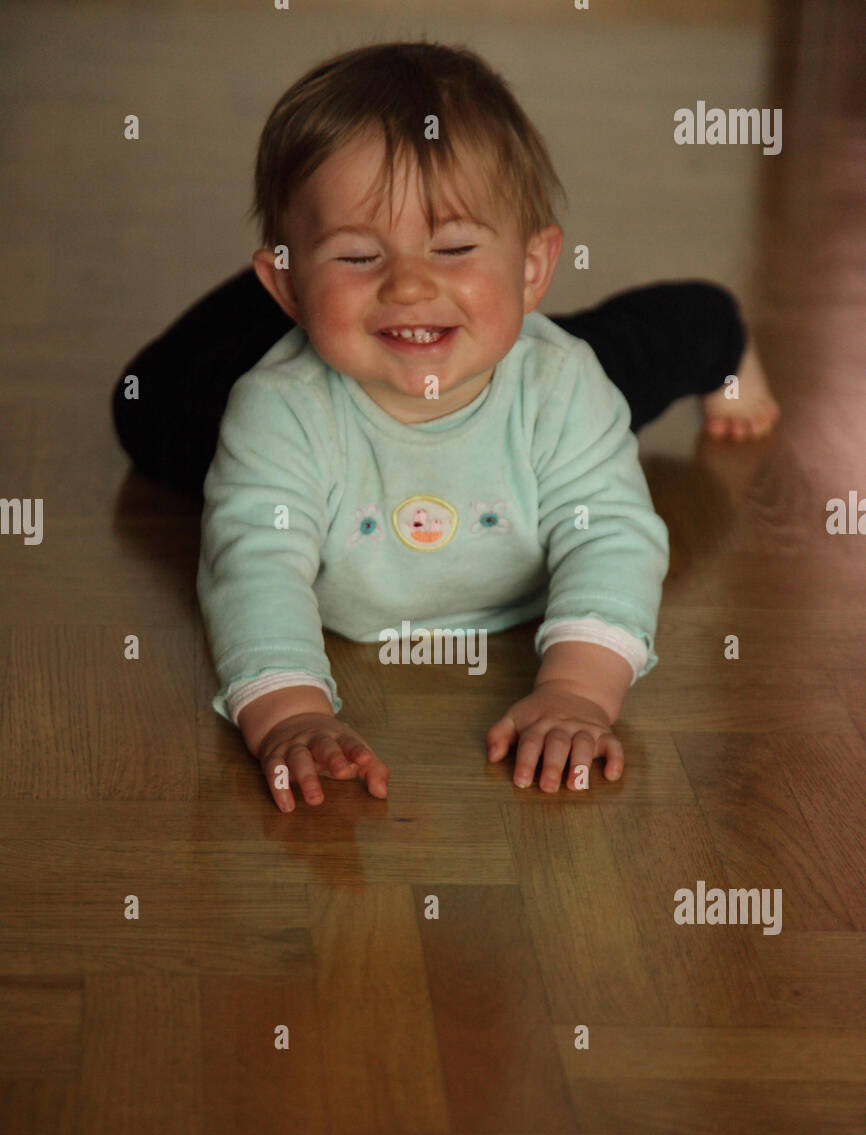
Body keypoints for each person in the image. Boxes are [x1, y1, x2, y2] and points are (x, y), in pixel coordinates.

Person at [111, 41, 780, 812]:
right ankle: (301, 291)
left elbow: (614, 537)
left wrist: (578, 693)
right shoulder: (277, 411)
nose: (410, 282)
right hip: (331, 370)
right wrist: (290, 713)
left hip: (510, 364)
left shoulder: (564, 387)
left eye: (454, 246)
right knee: (146, 408)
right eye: (363, 254)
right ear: (285, 283)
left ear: (532, 268)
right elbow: (251, 567)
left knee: (646, 346)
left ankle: (721, 330)